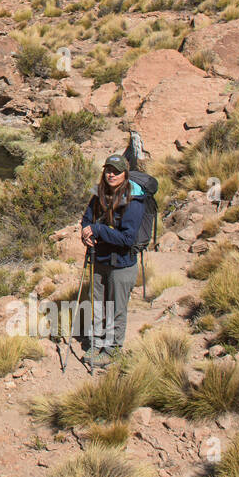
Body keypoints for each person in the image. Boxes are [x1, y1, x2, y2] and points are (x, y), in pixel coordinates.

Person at [79, 153, 146, 367]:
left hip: (122, 263)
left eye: (116, 171)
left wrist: (97, 230)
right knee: (98, 304)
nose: (111, 174)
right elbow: (86, 220)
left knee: (116, 307)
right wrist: (86, 234)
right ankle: (97, 343)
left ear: (125, 174)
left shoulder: (134, 201)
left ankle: (113, 349)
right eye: (108, 170)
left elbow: (127, 239)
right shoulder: (98, 194)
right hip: (100, 260)